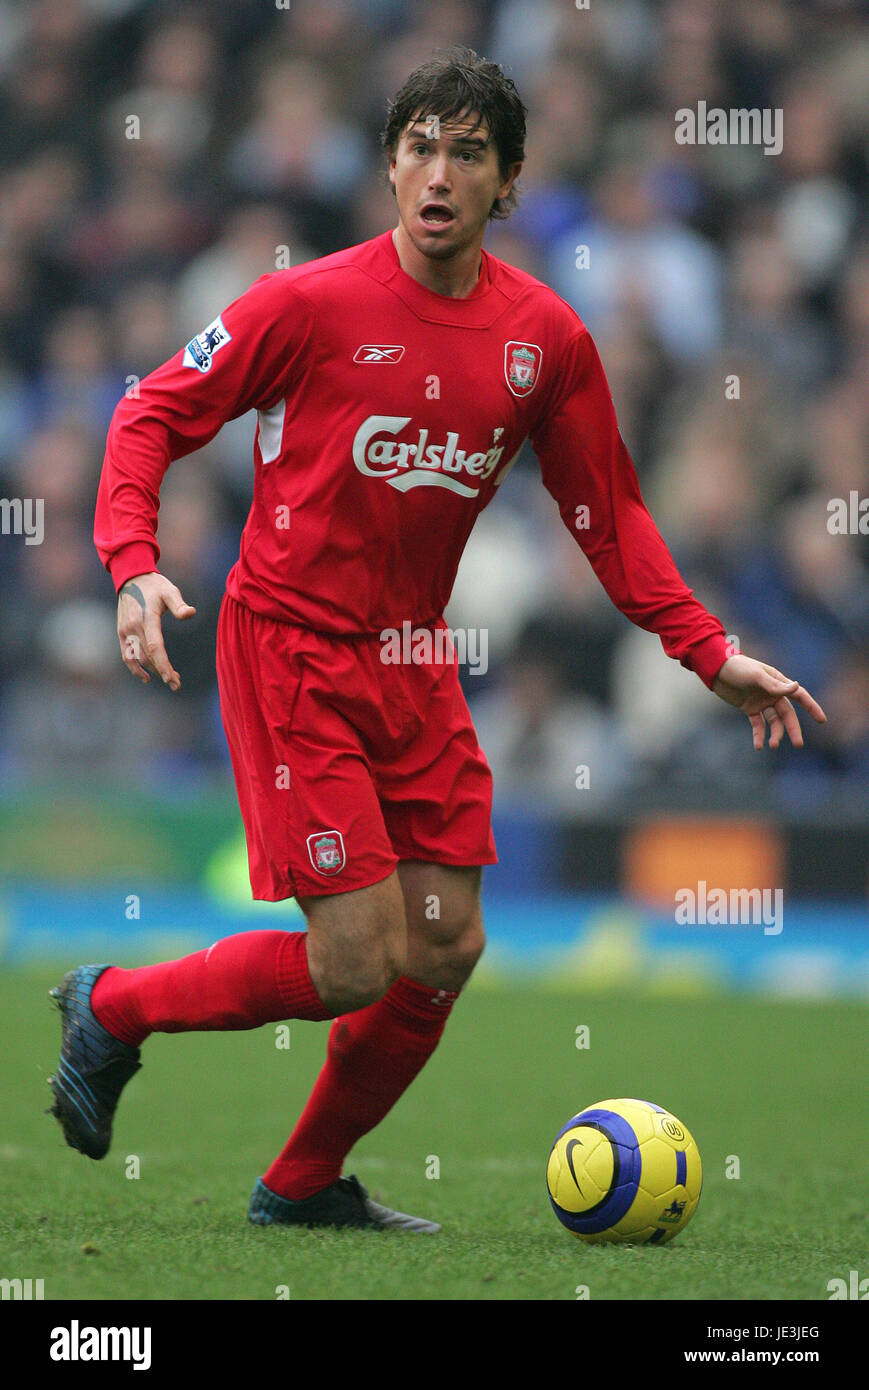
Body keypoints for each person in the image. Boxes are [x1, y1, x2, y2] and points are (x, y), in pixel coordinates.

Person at [49, 48, 826, 1232]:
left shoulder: (543, 340)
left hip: (410, 659)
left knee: (445, 941)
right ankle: (112, 1006)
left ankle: (302, 1183)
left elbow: (605, 510)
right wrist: (134, 562)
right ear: (388, 165)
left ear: (507, 182)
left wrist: (702, 647)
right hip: (289, 643)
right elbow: (152, 408)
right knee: (356, 958)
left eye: (469, 152)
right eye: (419, 145)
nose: (439, 171)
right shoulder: (304, 305)